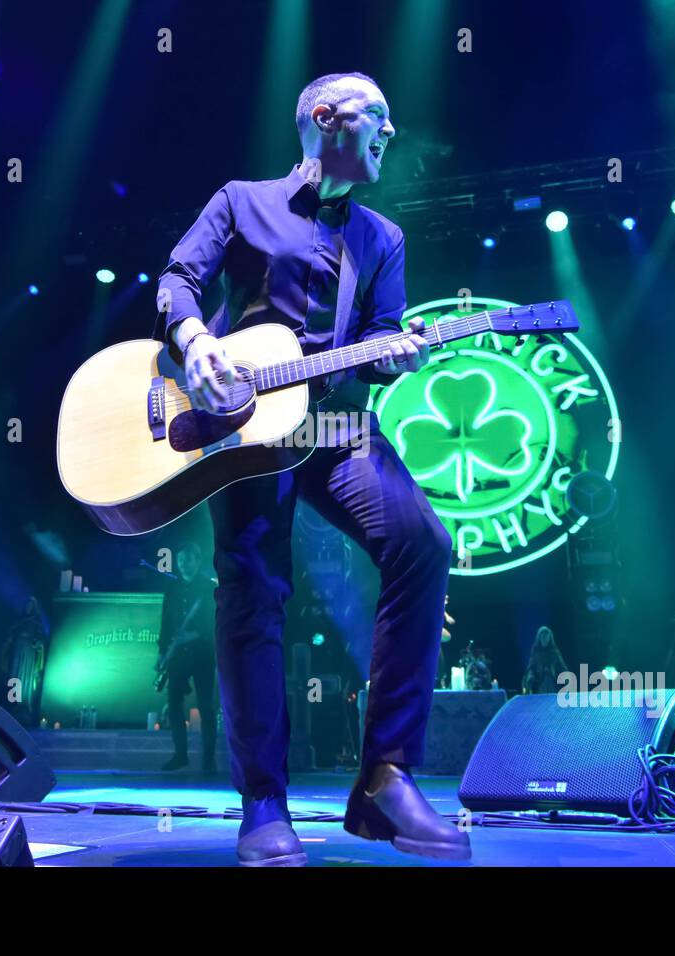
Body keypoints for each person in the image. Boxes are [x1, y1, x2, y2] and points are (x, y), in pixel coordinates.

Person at [155, 72, 466, 864]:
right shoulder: (241, 201)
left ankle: (385, 780)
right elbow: (179, 280)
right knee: (255, 589)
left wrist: (399, 355)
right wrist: (197, 346)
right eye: (379, 118)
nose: (391, 133)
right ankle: (263, 800)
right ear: (325, 120)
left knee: (423, 542)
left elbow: (387, 337)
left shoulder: (383, 238)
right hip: (244, 425)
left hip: (332, 421)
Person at [156, 542, 218, 772]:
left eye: (187, 559)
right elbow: (165, 623)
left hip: (202, 654)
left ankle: (208, 758)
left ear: (197, 560)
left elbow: (214, 622)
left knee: (205, 705)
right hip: (177, 656)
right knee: (173, 703)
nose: (183, 564)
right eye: (180, 560)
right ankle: (180, 755)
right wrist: (162, 651)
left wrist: (192, 635)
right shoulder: (172, 589)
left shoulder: (208, 588)